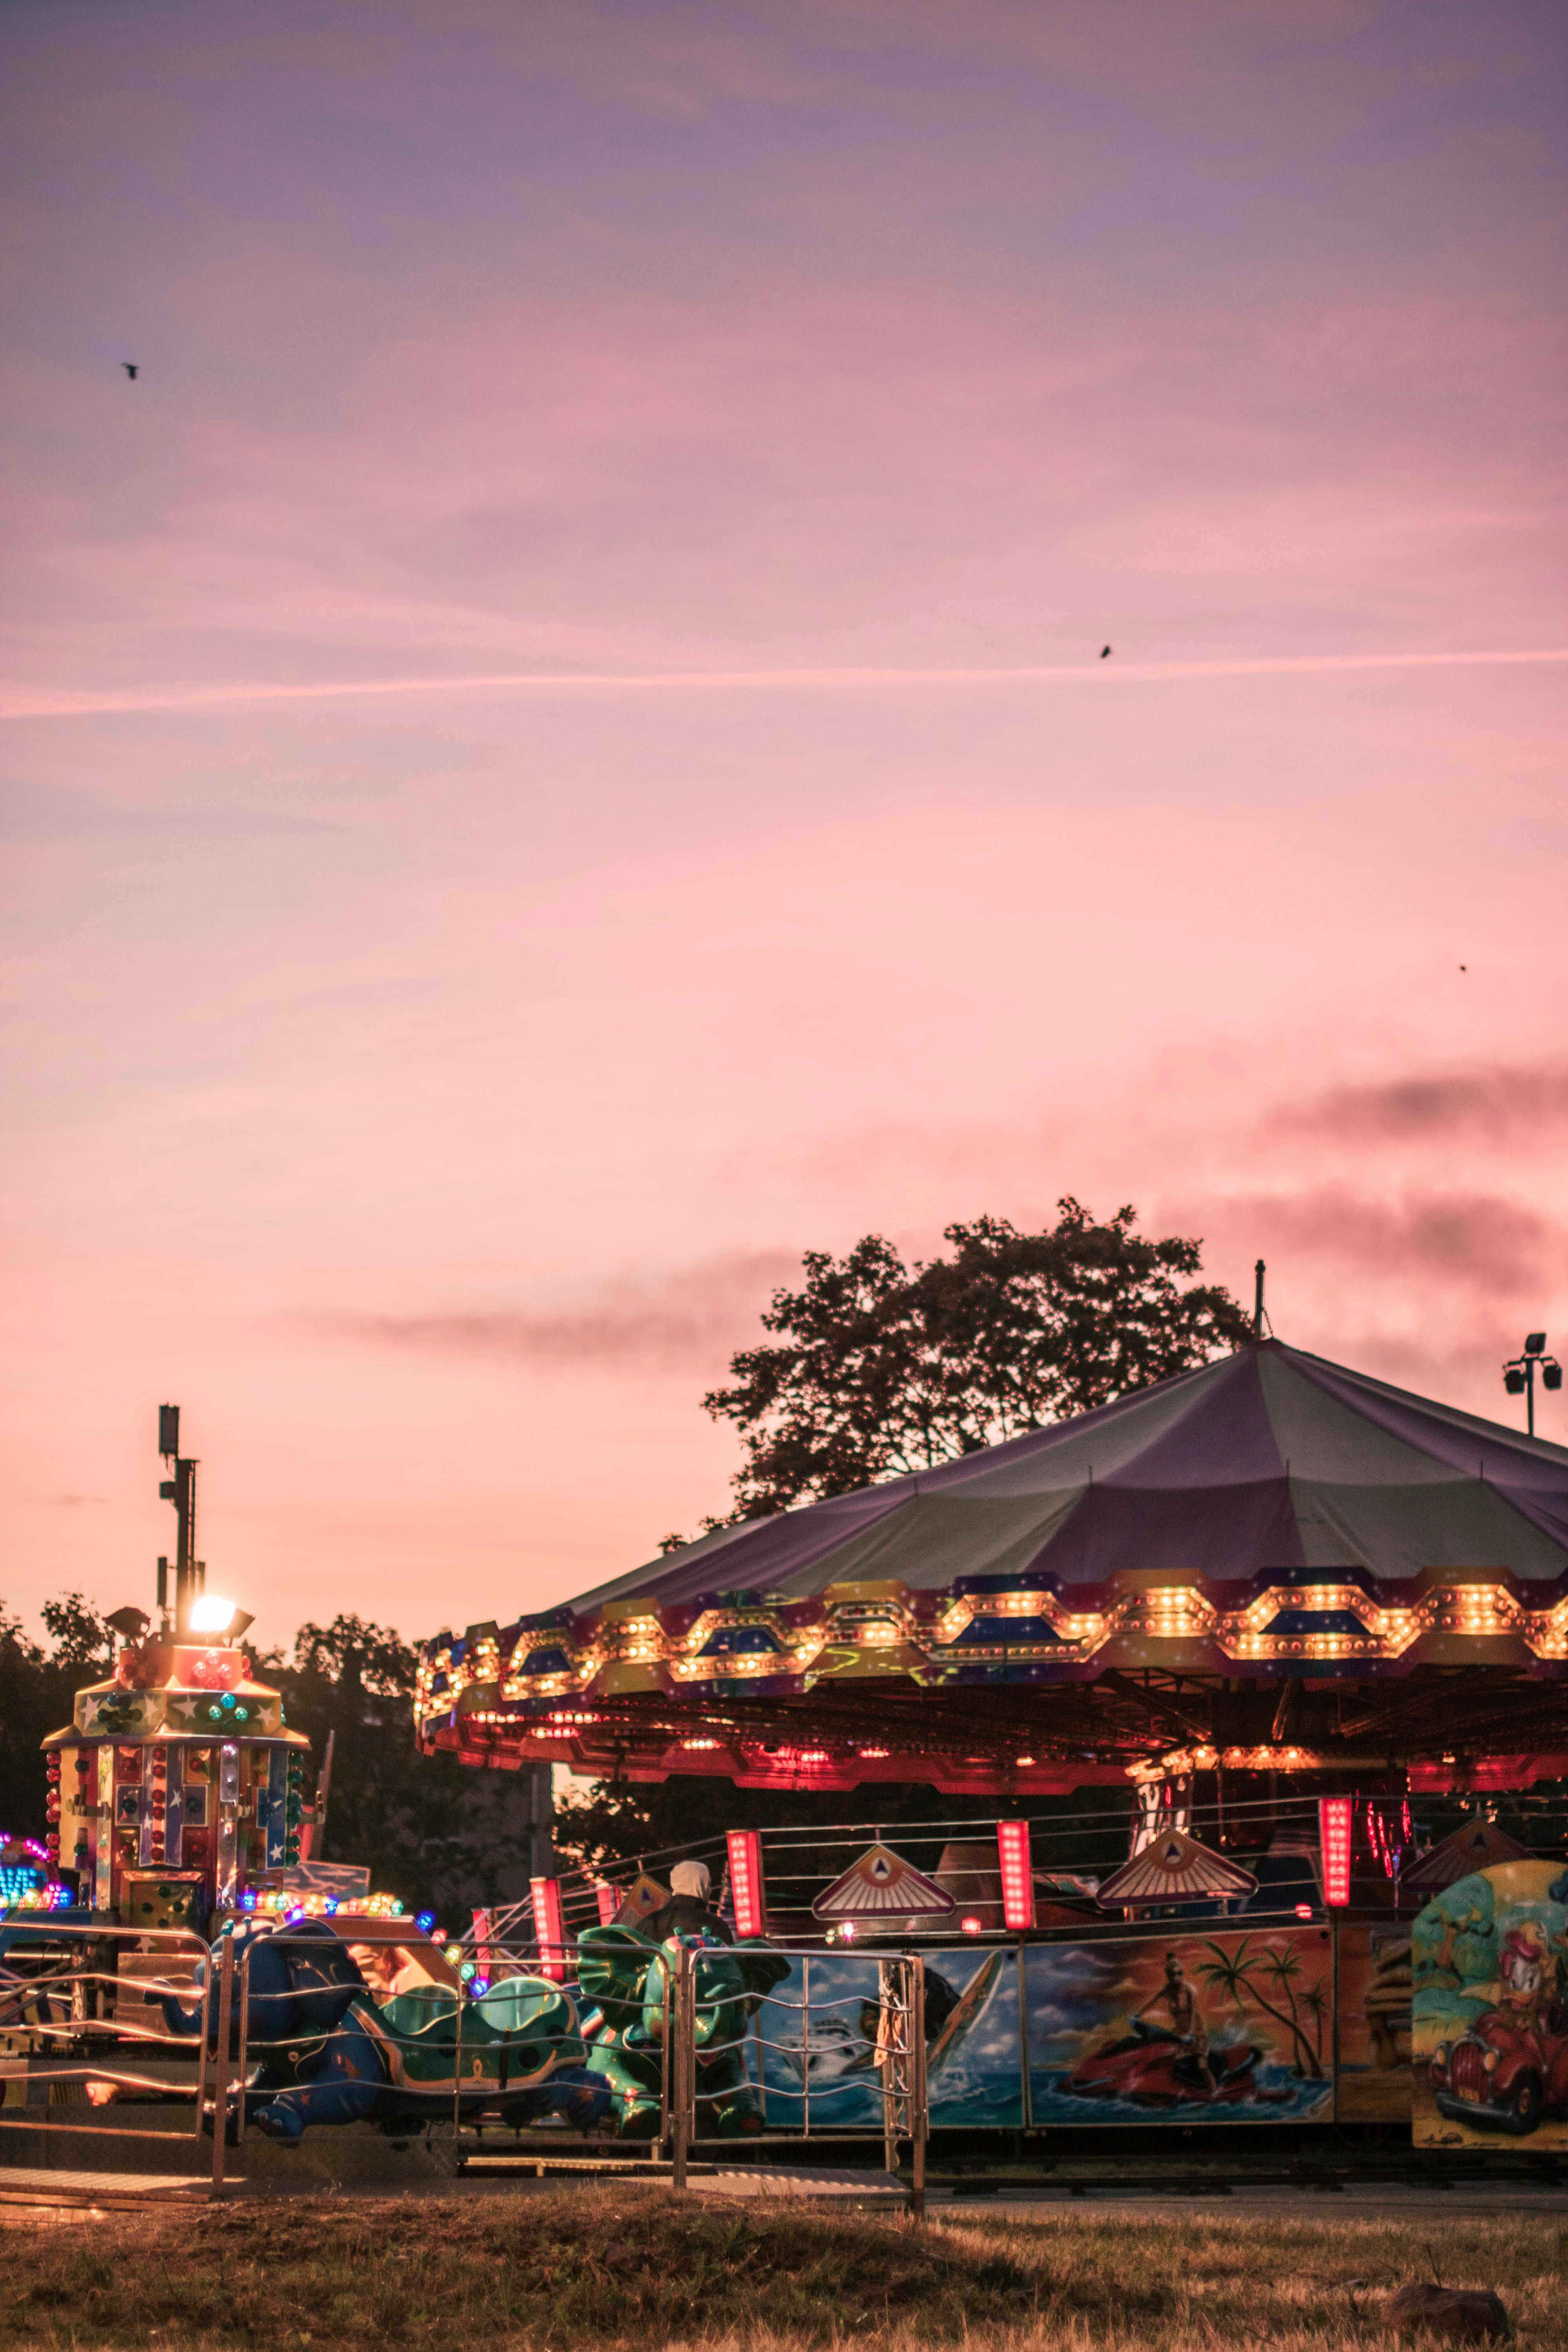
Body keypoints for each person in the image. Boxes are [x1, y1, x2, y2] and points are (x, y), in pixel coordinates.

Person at [1136, 1950, 1209, 2059]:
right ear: (1169, 1975)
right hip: (1179, 2034)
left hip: (1196, 2033)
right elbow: (1151, 2002)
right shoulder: (1166, 1990)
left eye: (1179, 1973)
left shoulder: (1190, 1990)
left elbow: (1194, 2014)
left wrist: (1190, 2033)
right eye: (1173, 1974)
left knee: (1202, 2067)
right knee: (1175, 2064)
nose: (1177, 1977)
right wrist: (1137, 2015)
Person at [645, 1859, 734, 1944]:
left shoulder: (647, 1924)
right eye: (708, 1884)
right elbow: (730, 1958)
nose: (710, 1890)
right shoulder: (716, 1926)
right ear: (702, 1886)